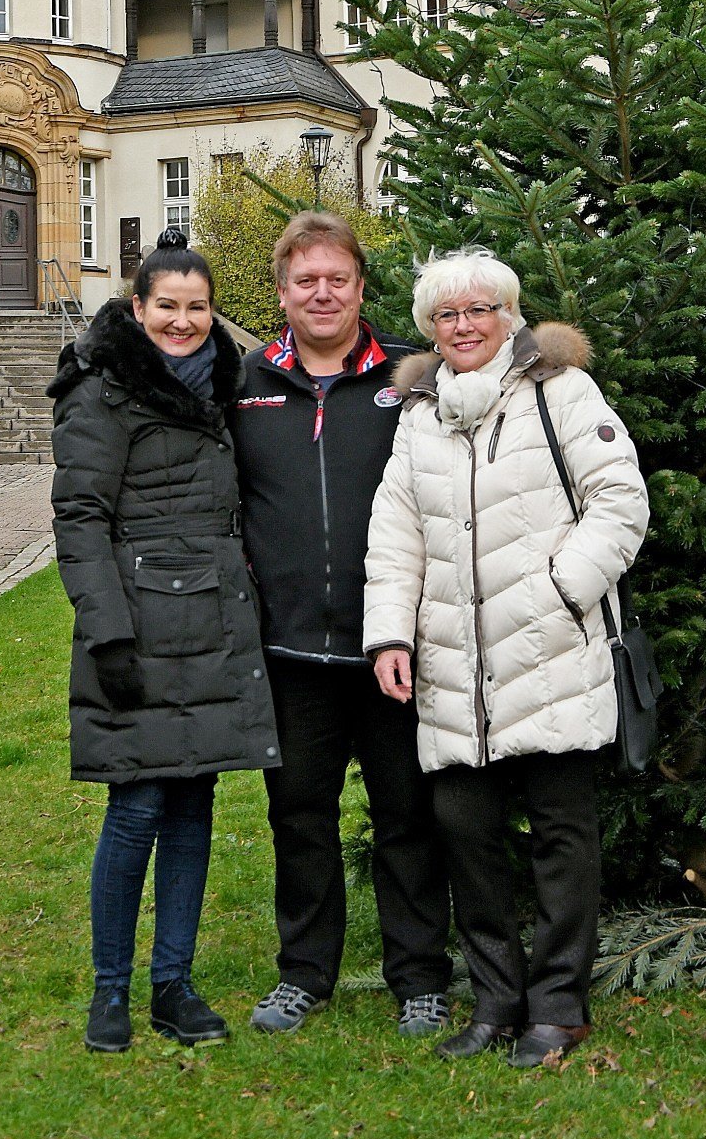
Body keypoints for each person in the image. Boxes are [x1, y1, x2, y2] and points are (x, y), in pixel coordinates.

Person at [363, 249, 649, 1068]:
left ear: (507, 315)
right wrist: (387, 633)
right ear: (429, 327)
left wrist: (563, 591)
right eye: (446, 315)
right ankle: (493, 1001)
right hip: (451, 668)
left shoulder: (560, 391)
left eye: (478, 310)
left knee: (562, 834)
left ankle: (557, 1004)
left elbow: (620, 501)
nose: (463, 326)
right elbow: (395, 537)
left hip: (551, 650)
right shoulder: (418, 414)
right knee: (466, 834)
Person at [49, 228, 280, 1054]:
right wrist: (106, 630)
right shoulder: (102, 390)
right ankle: (109, 991)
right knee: (136, 806)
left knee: (192, 808)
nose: (182, 322)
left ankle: (173, 986)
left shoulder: (227, 384)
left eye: (197, 308)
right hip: (141, 627)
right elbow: (80, 516)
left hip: (213, 622)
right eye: (166, 308)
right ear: (137, 308)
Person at [230, 211, 453, 1037]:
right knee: (299, 818)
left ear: (361, 286)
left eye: (337, 279)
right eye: (303, 281)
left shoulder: (412, 377)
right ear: (281, 291)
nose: (321, 294)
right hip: (286, 647)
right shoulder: (243, 382)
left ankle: (420, 977)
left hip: (392, 646)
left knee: (408, 817)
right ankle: (304, 974)